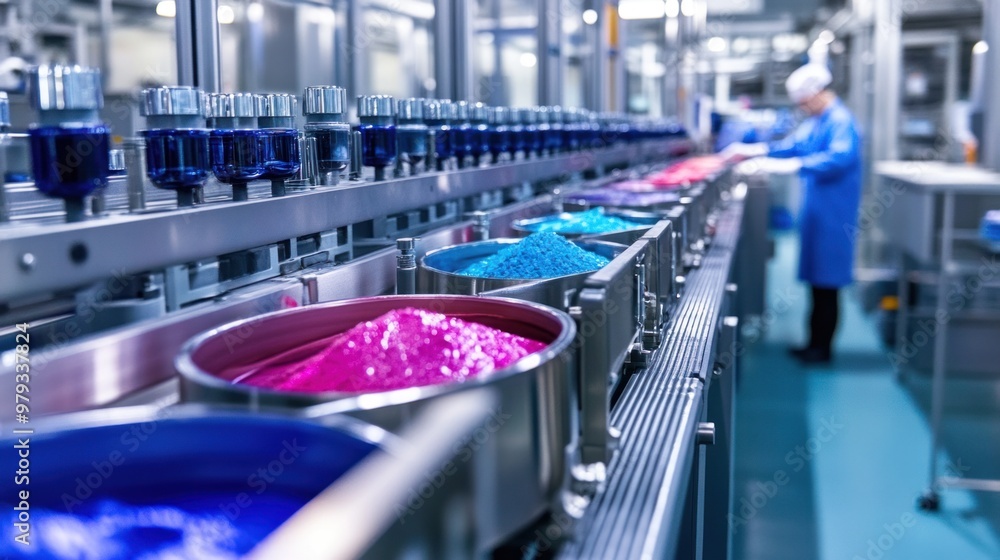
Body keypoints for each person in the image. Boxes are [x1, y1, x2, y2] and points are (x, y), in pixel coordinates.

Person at [724, 64, 863, 364]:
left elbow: (840, 157)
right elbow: (794, 145)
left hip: (834, 214)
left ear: (816, 94)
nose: (802, 107)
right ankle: (814, 342)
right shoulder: (818, 120)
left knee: (827, 284)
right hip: (817, 211)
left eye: (803, 101)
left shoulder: (840, 120)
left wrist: (792, 166)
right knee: (818, 283)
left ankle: (822, 349)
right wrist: (756, 151)